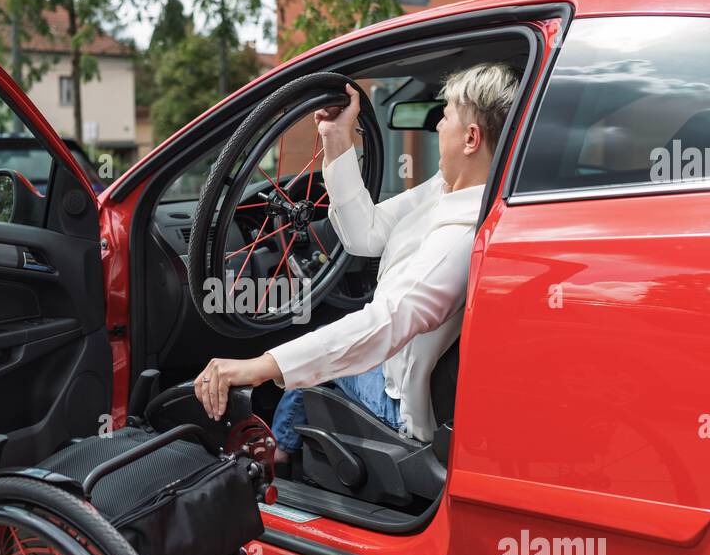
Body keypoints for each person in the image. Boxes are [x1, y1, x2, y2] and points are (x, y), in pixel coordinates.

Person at [192, 62, 520, 463]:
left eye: (445, 115)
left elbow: (385, 322)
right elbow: (365, 234)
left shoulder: (463, 234)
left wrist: (259, 367)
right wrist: (335, 138)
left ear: (471, 138)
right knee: (320, 345)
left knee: (313, 368)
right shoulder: (444, 190)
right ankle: (283, 453)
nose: (436, 127)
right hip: (392, 367)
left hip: (398, 403)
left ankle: (275, 462)